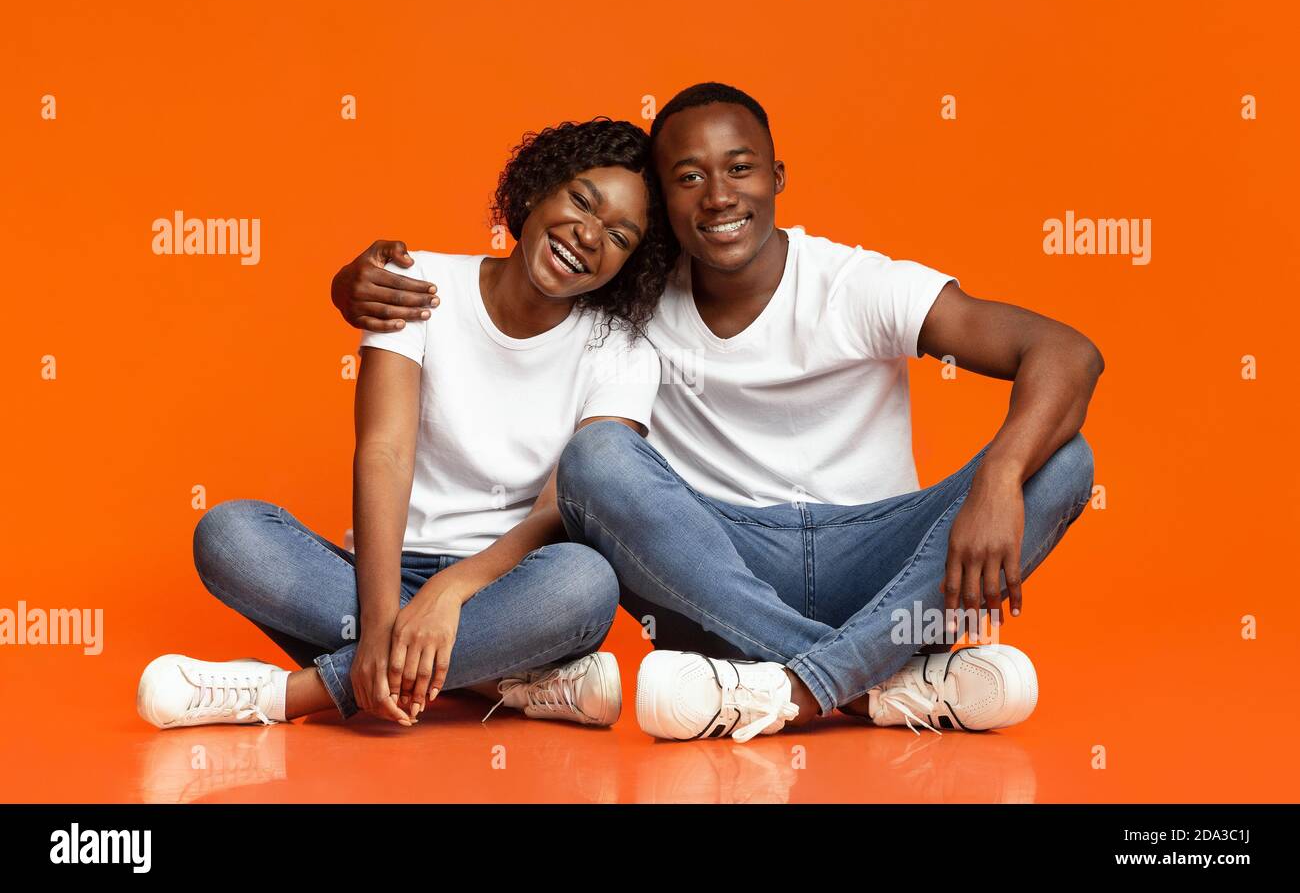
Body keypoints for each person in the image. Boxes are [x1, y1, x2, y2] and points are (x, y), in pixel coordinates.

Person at [331, 83, 1104, 743]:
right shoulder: (629, 295)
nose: (720, 196)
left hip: (879, 562)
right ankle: (874, 686)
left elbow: (1067, 352)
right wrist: (355, 283)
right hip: (723, 571)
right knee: (596, 463)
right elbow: (520, 284)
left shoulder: (855, 284)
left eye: (740, 169)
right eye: (689, 178)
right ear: (665, 207)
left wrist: (1001, 474)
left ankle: (795, 687)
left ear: (776, 175)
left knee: (1064, 461)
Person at [136, 118, 673, 731]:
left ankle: (286, 695)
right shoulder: (418, 287)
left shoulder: (625, 353)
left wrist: (448, 597)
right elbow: (384, 453)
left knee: (587, 581)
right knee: (229, 534)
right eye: (581, 200)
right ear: (536, 190)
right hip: (380, 569)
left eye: (619, 236)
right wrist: (382, 614)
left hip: (507, 582)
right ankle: (503, 683)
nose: (588, 234)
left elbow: (560, 512)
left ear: (629, 263)